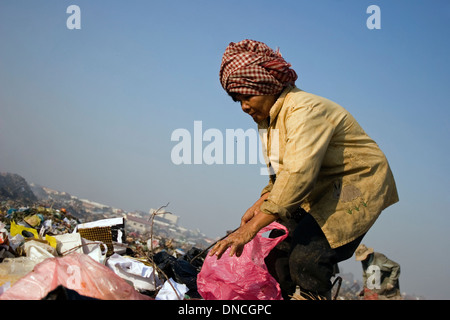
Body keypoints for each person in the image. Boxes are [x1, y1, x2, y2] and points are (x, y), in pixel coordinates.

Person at [209, 39, 399, 299]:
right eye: (237, 99)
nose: (243, 106)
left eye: (247, 95)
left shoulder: (304, 111)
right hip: (319, 184)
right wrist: (261, 203)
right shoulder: (269, 118)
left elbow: (298, 175)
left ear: (266, 86)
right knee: (279, 247)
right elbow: (282, 173)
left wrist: (250, 229)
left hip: (358, 182)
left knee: (309, 252)